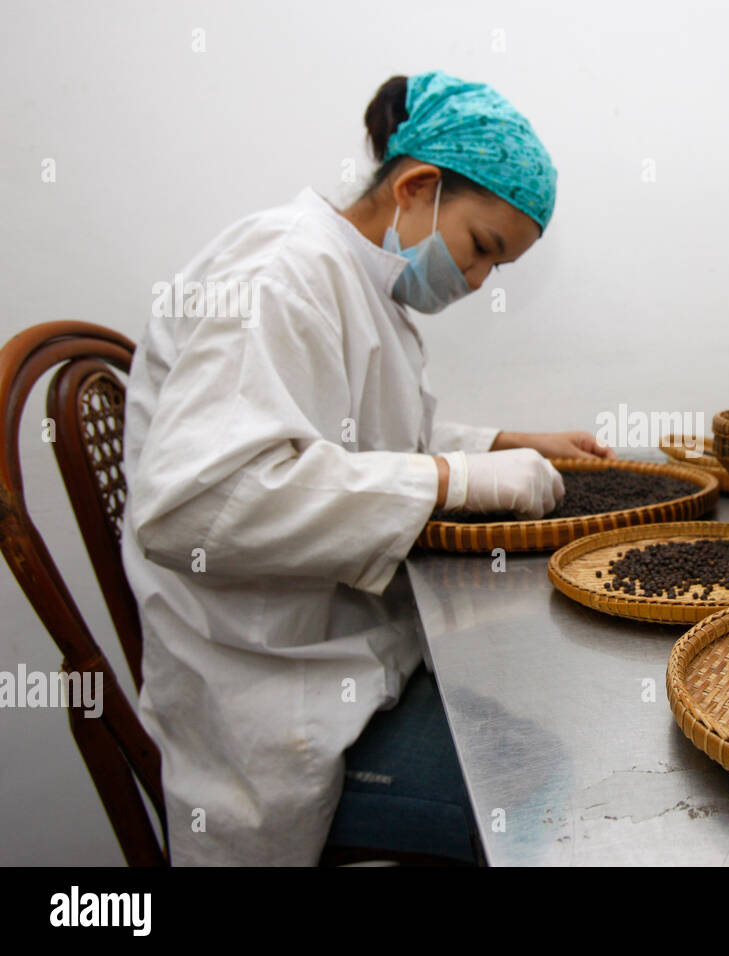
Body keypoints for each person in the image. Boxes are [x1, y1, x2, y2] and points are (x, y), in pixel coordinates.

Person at [121, 70, 609, 865]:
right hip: (275, 688)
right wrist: (451, 481)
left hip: (340, 647)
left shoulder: (358, 283)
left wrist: (496, 440)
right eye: (483, 248)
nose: (480, 281)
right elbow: (195, 504)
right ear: (418, 185)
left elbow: (342, 440)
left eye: (499, 268)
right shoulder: (281, 271)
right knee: (549, 788)